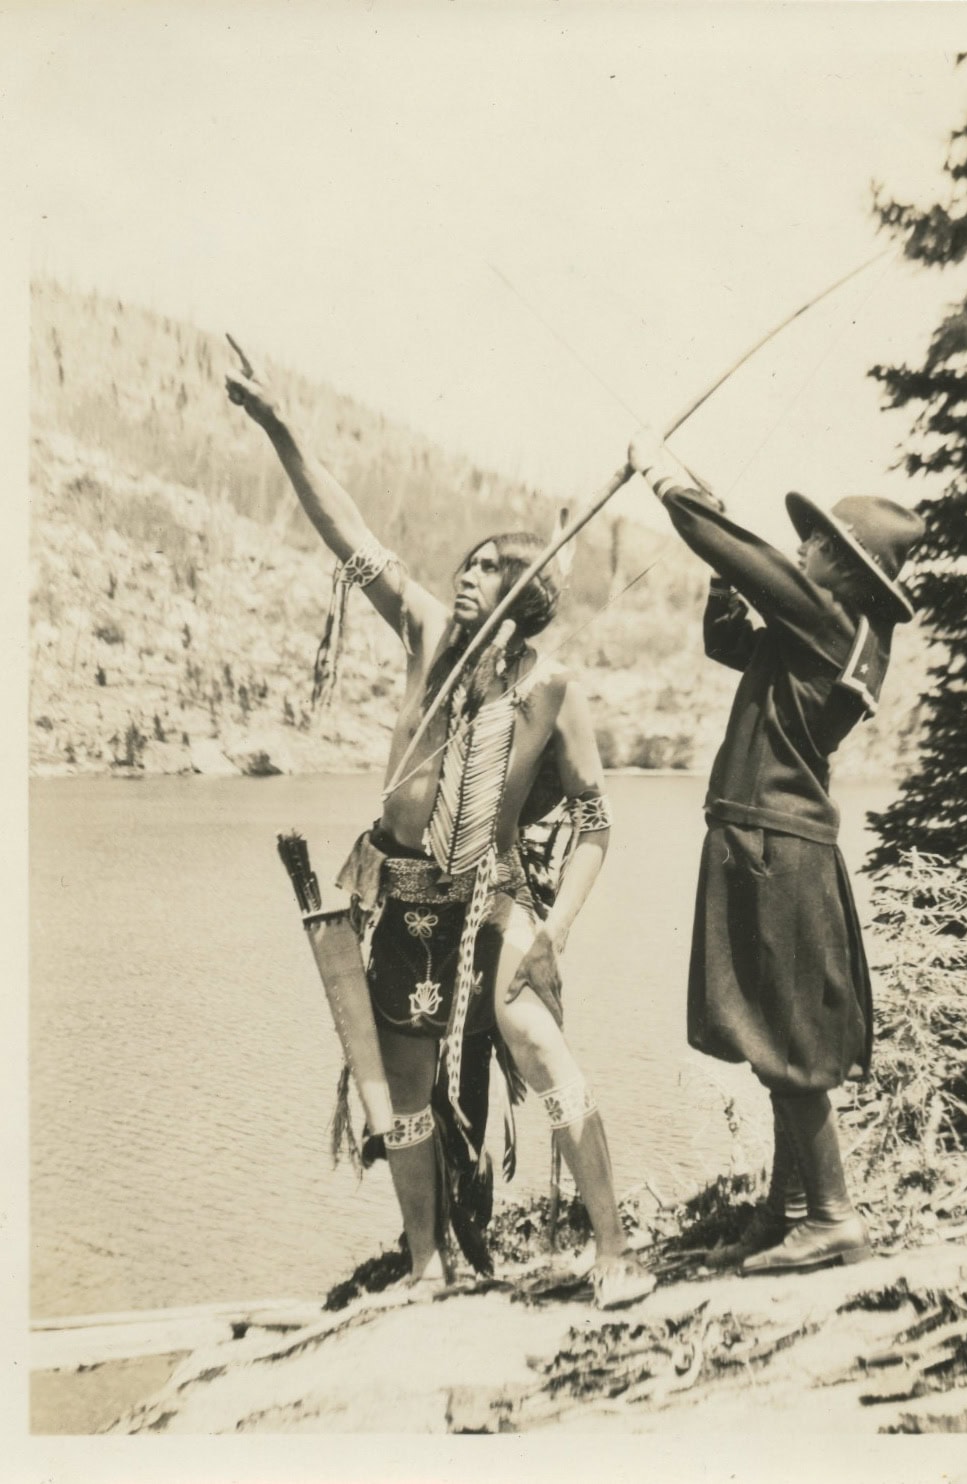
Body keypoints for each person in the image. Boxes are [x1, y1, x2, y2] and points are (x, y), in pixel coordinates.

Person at [225, 344, 655, 1310]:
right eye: (464, 566)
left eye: (492, 571)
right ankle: (428, 1262)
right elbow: (350, 534)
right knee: (408, 1090)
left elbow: (593, 820)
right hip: (404, 899)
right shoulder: (423, 632)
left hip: (491, 906)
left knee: (542, 1053)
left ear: (526, 599)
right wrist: (280, 425)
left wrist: (554, 930)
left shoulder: (548, 690)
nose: (465, 578)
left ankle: (615, 1252)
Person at [627, 427, 925, 1275]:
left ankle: (830, 1215)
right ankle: (787, 1207)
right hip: (777, 839)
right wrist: (720, 559)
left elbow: (743, 553)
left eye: (818, 544)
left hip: (773, 841)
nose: (801, 550)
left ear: (848, 568)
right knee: (778, 1034)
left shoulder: (831, 619)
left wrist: (673, 490)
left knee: (787, 1043)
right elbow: (731, 640)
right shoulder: (821, 634)